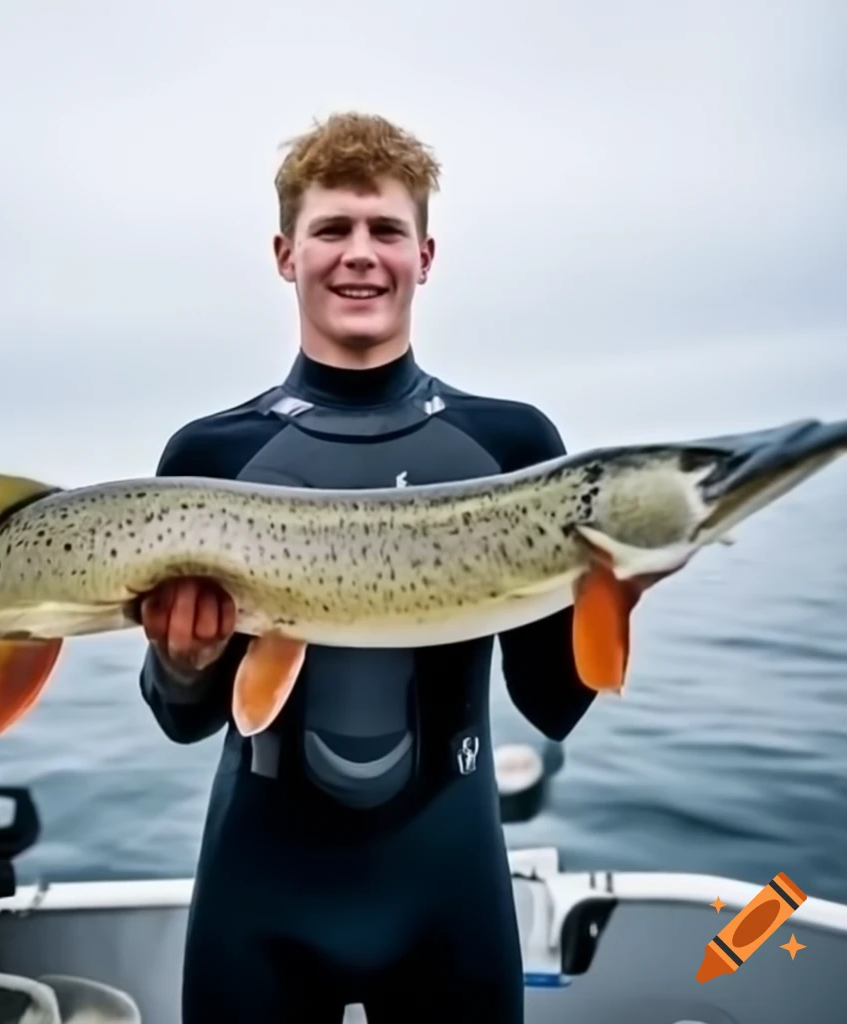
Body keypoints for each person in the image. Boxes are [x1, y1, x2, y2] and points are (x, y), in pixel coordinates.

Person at [137, 112, 597, 1023]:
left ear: (425, 256)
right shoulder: (210, 455)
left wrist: (611, 588)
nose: (360, 253)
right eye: (332, 229)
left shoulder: (514, 448)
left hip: (449, 894)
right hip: (259, 894)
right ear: (284, 253)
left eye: (386, 229)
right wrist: (182, 663)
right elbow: (183, 719)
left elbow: (554, 702)